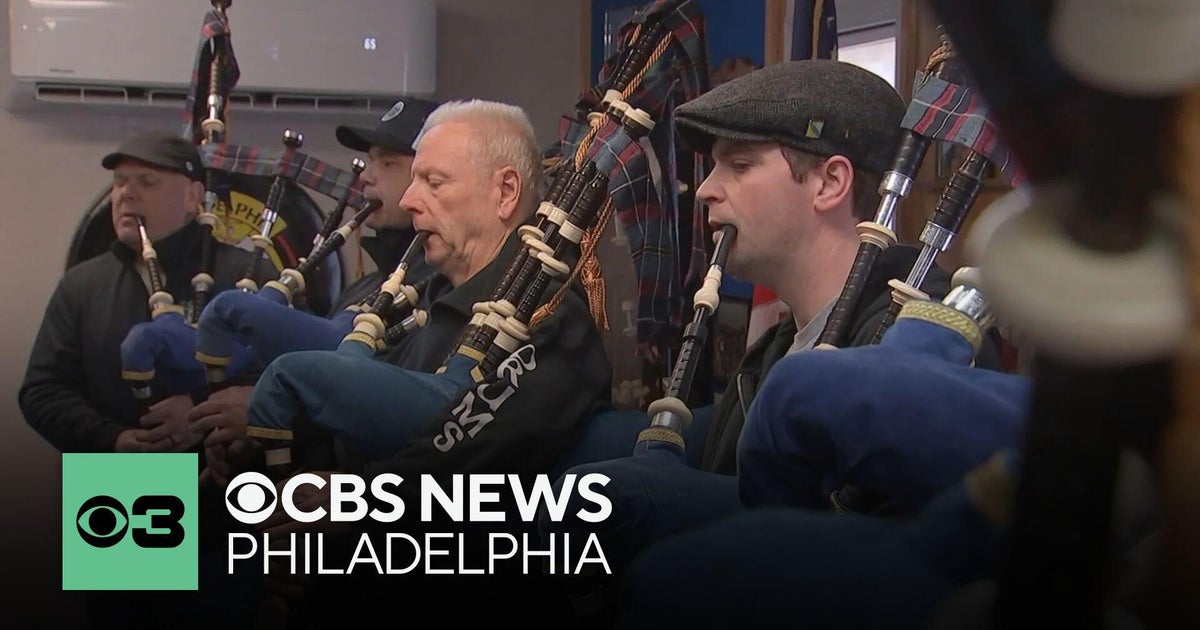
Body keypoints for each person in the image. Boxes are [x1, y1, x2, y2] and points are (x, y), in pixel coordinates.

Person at [542, 59, 1005, 574]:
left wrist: (698, 508)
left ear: (829, 182)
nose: (705, 189)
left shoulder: (930, 346)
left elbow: (904, 566)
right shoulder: (774, 354)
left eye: (740, 166)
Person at [238, 99, 614, 625]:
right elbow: (359, 429)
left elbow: (474, 464)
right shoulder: (426, 302)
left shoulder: (548, 317)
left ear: (505, 192)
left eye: (433, 182)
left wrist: (348, 501)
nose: (409, 201)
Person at [18, 130, 270, 628]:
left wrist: (199, 410)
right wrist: (113, 439)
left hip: (227, 499)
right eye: (119, 182)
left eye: (146, 182)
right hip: (117, 497)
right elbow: (42, 391)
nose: (126, 194)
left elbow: (283, 377)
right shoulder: (83, 284)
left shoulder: (247, 278)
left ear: (194, 196)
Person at [187, 97, 441, 478]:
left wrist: (271, 409)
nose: (366, 177)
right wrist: (253, 444)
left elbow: (400, 415)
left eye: (387, 163)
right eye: (370, 161)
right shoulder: (367, 286)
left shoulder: (437, 289)